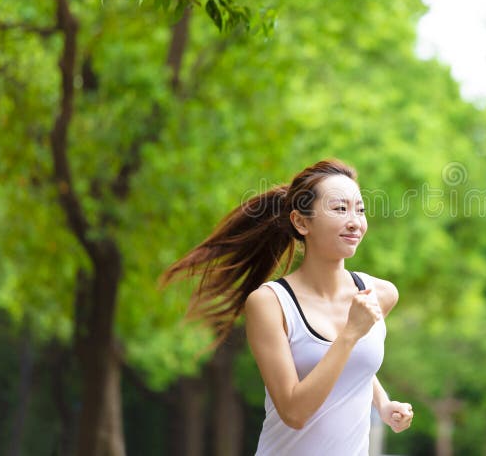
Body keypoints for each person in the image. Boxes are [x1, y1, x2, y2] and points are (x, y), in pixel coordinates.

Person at [162, 159, 413, 455]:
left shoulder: (379, 294)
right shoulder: (270, 303)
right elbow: (294, 412)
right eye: (339, 209)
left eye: (360, 209)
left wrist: (382, 404)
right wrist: (349, 334)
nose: (355, 221)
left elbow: (355, 362)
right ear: (301, 222)